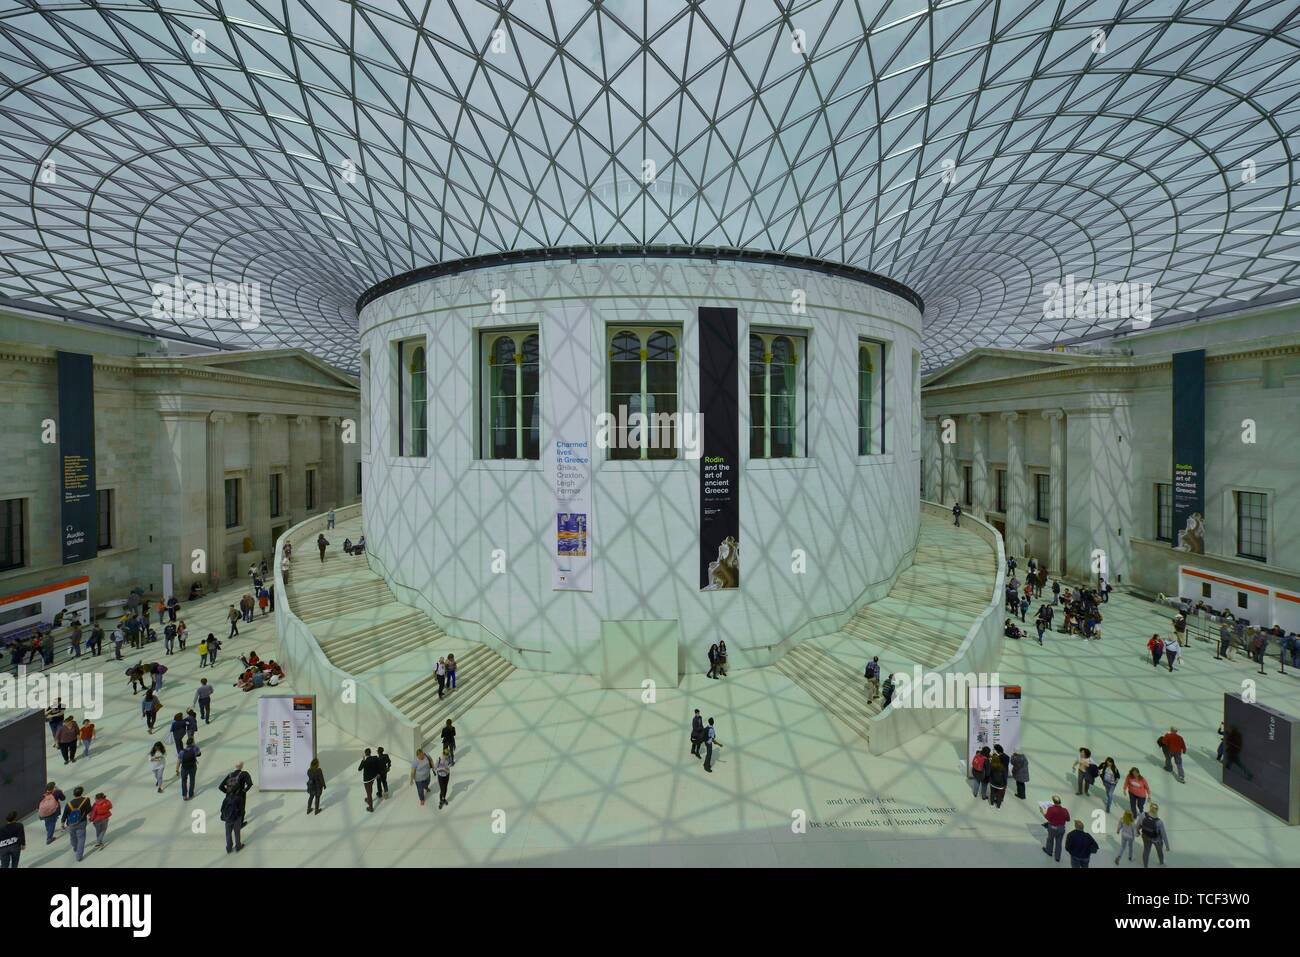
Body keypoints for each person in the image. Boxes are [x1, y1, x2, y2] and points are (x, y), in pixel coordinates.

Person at [219, 762, 254, 839]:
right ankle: (239, 825)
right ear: (242, 766)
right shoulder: (244, 774)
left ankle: (229, 821)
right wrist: (244, 791)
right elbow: (250, 784)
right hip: (240, 796)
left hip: (229, 797)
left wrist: (227, 792)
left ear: (235, 766)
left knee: (229, 808)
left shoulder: (230, 775)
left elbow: (221, 786)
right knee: (241, 810)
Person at [62, 786, 92, 862]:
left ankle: (75, 847)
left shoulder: (69, 804)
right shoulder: (86, 800)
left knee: (73, 837)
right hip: (82, 822)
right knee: (81, 838)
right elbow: (89, 810)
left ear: (73, 794)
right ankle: (79, 856)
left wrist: (62, 824)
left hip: (71, 824)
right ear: (81, 792)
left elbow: (64, 815)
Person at [1041, 796, 1070, 862]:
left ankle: (1049, 851)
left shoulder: (1051, 809)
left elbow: (1047, 817)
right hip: (1061, 828)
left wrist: (1042, 812)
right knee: (1059, 843)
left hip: (1052, 828)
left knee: (1050, 839)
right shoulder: (1065, 810)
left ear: (1053, 802)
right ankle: (1057, 857)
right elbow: (1068, 819)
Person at [358, 748, 382, 812]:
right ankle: (369, 799)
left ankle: (370, 808)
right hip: (373, 777)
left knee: (369, 792)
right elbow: (378, 766)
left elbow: (359, 769)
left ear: (365, 754)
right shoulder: (375, 758)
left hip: (367, 780)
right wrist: (378, 773)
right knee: (370, 789)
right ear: (370, 752)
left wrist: (363, 760)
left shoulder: (365, 761)